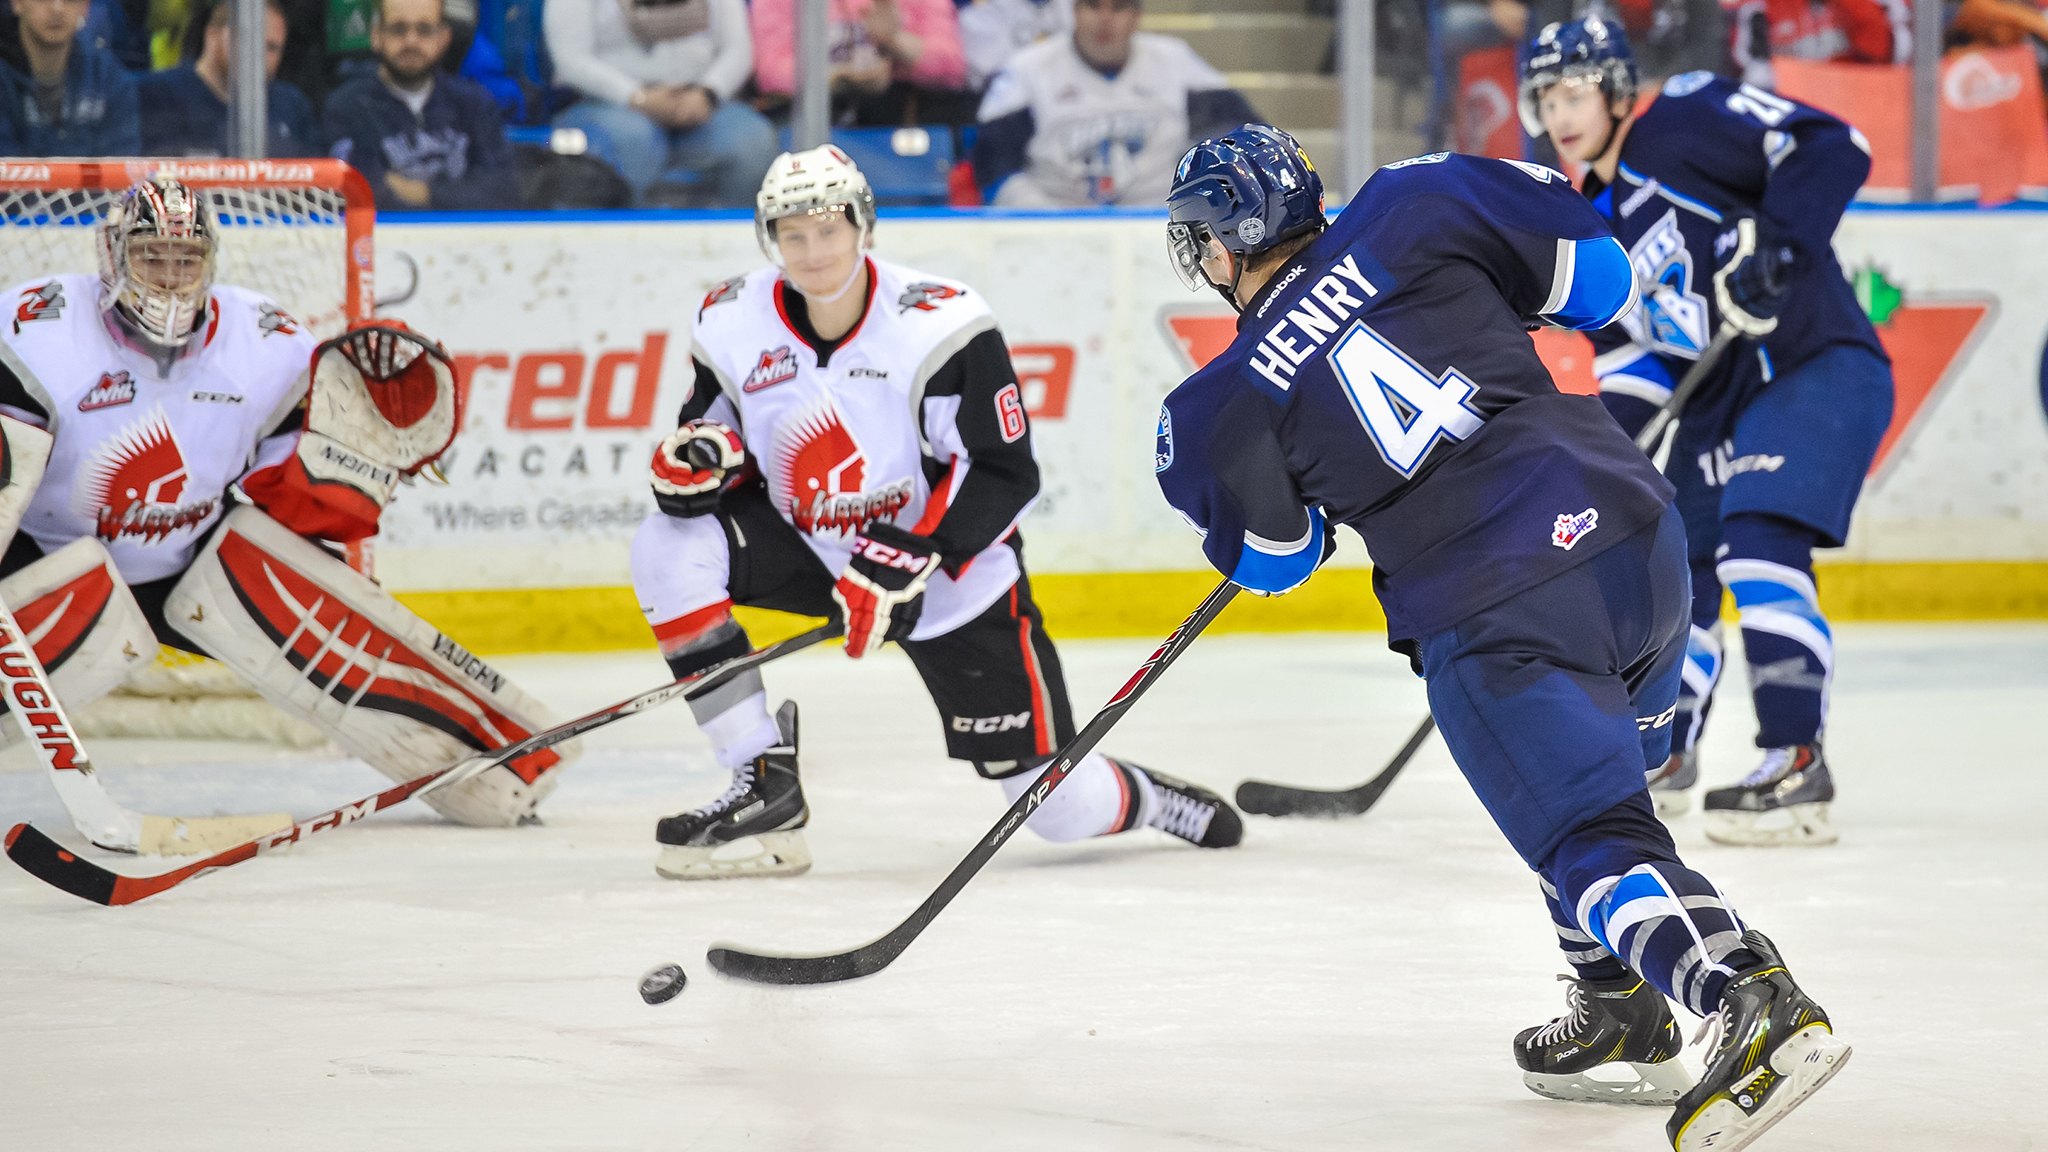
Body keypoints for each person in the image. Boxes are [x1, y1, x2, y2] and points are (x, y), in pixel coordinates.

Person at [1156, 124, 1849, 1151]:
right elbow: (1601, 284)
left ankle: (1743, 993)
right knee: (1592, 785)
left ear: (1217, 246)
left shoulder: (1215, 406)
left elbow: (1275, 558)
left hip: (1495, 608)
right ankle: (1615, 1005)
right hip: (1635, 539)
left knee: (1589, 836)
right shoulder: (1415, 199)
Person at [628, 145, 1241, 881]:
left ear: (865, 225)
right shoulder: (732, 319)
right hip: (813, 552)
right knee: (669, 542)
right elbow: (715, 433)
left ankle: (1147, 798)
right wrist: (695, 468)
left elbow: (1005, 471)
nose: (813, 251)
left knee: (1055, 808)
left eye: (829, 229)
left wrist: (910, 551)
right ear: (770, 241)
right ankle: (762, 776)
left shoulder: (940, 323)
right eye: (793, 234)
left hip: (950, 575)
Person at [0, 175, 573, 830]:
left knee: (324, 618)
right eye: (150, 256)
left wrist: (363, 454)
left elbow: (303, 498)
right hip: (45, 553)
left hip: (190, 556)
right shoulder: (35, 326)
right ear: (111, 256)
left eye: (186, 260)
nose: (168, 277)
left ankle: (498, 766)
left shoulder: (264, 340)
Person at [1520, 18, 1893, 845]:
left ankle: (1796, 763)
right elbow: (1636, 365)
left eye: (1574, 89)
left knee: (1758, 544)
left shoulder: (1683, 119)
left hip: (1815, 365)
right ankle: (1670, 753)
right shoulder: (1587, 227)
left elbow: (1835, 144)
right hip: (1721, 396)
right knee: (1672, 569)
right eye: (1546, 96)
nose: (1560, 112)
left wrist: (1782, 250)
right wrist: (1604, 460)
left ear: (1617, 88)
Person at [971, 0, 1257, 206]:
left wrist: (1191, 207)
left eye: (1118, 7)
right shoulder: (1028, 69)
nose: (1105, 19)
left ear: (1136, 15)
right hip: (1052, 226)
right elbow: (995, 169)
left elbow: (1237, 141)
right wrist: (1048, 221)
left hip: (1160, 224)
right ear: (1075, 11)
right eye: (1093, 6)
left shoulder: (1174, 61)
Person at [544, 0, 776, 207]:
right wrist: (636, 96)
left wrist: (707, 93)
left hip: (700, 102)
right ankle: (628, 243)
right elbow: (571, 59)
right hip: (606, 104)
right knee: (634, 139)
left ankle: (739, 246)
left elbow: (738, 49)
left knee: (753, 140)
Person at [322, 0, 519, 211]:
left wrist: (423, 193)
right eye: (398, 29)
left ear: (444, 38)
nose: (411, 41)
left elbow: (505, 192)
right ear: (376, 35)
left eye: (424, 30)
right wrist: (456, 195)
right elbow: (354, 194)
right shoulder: (346, 108)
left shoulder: (476, 104)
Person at [138, 0, 322, 158]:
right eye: (249, 40)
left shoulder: (291, 104)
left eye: (272, 47)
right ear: (212, 34)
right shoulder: (156, 94)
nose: (259, 56)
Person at [748, 0, 968, 118]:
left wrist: (894, 41)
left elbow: (953, 67)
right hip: (814, 113)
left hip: (898, 112)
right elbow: (770, 72)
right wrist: (838, 76)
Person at [0, 0, 137, 156]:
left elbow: (123, 165)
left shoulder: (108, 75)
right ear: (17, 3)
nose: (57, 8)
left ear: (85, 6)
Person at [1725, 0, 1909, 90]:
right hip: (1794, 108)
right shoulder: (1759, 9)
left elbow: (1888, 58)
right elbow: (1751, 74)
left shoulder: (1870, 6)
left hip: (1856, 101)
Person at [958, 0, 1070, 92]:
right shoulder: (978, 17)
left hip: (1074, 91)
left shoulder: (1079, 6)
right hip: (1016, 107)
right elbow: (999, 82)